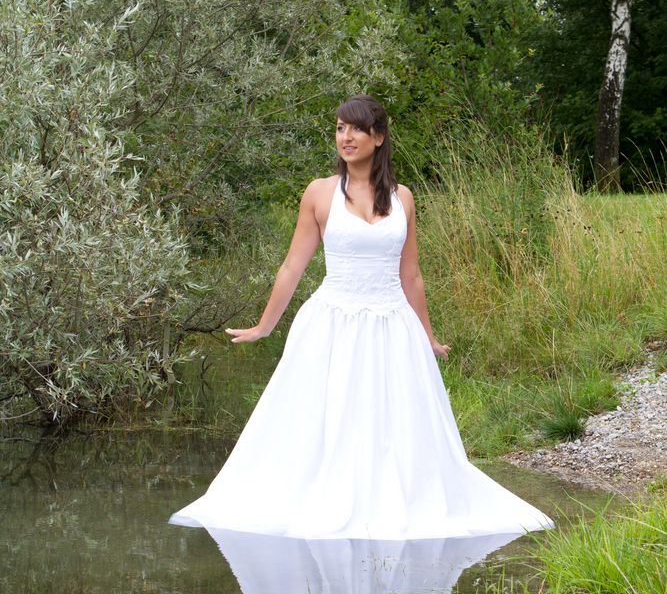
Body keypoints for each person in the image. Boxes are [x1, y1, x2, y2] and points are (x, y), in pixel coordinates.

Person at [170, 94, 553, 539]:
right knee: (329, 418)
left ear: (379, 137)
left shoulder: (403, 198)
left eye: (355, 129)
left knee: (394, 422)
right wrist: (265, 325)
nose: (345, 137)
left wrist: (427, 337)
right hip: (332, 323)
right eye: (339, 128)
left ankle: (392, 501)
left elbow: (411, 277)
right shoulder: (318, 193)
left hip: (393, 325)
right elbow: (293, 265)